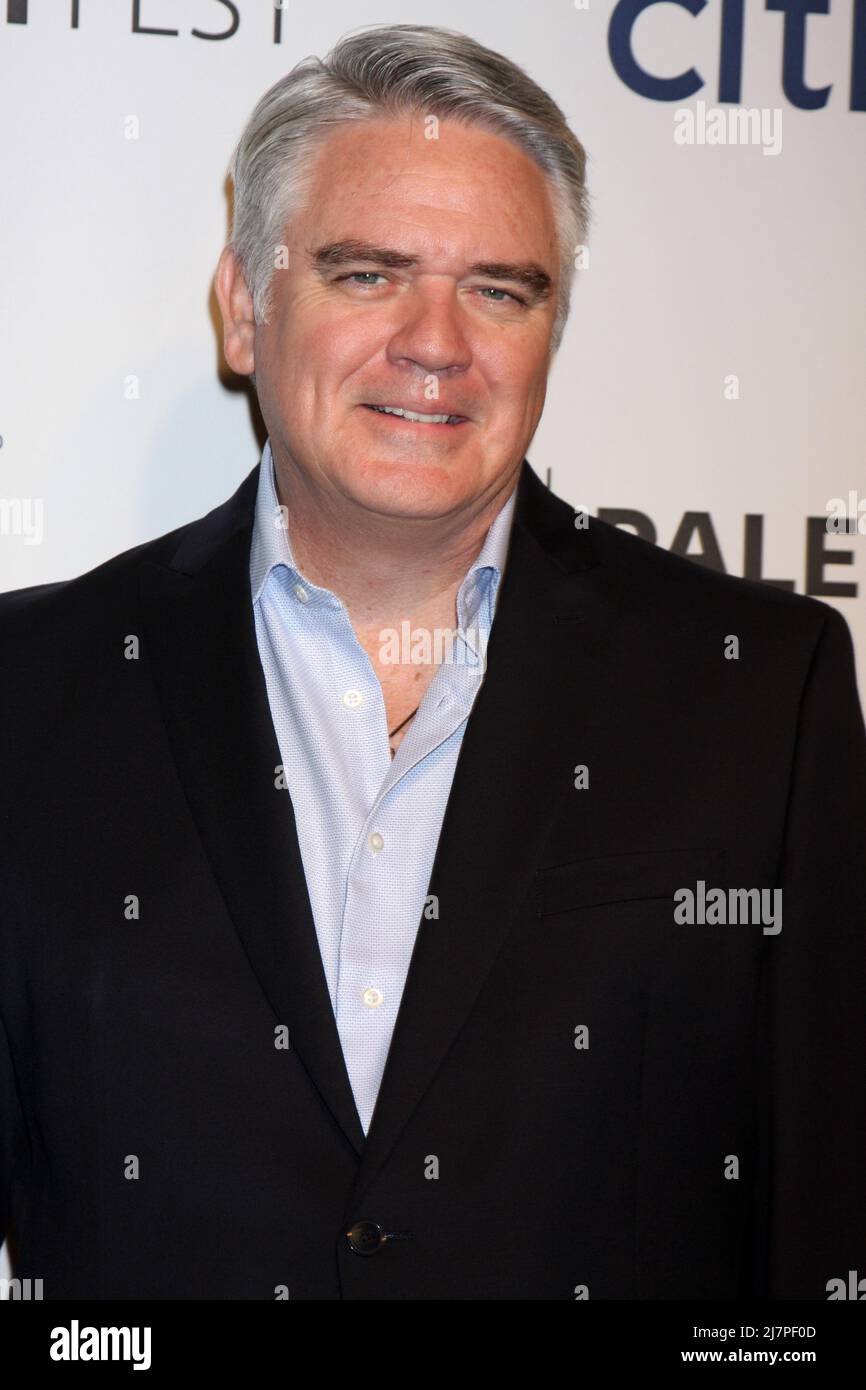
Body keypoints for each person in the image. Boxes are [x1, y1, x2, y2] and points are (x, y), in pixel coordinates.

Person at [1, 23, 864, 1301]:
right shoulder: (31, 691)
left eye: (499, 290)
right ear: (246, 305)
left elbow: (820, 1221)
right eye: (366, 273)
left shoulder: (754, 689)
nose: (435, 342)